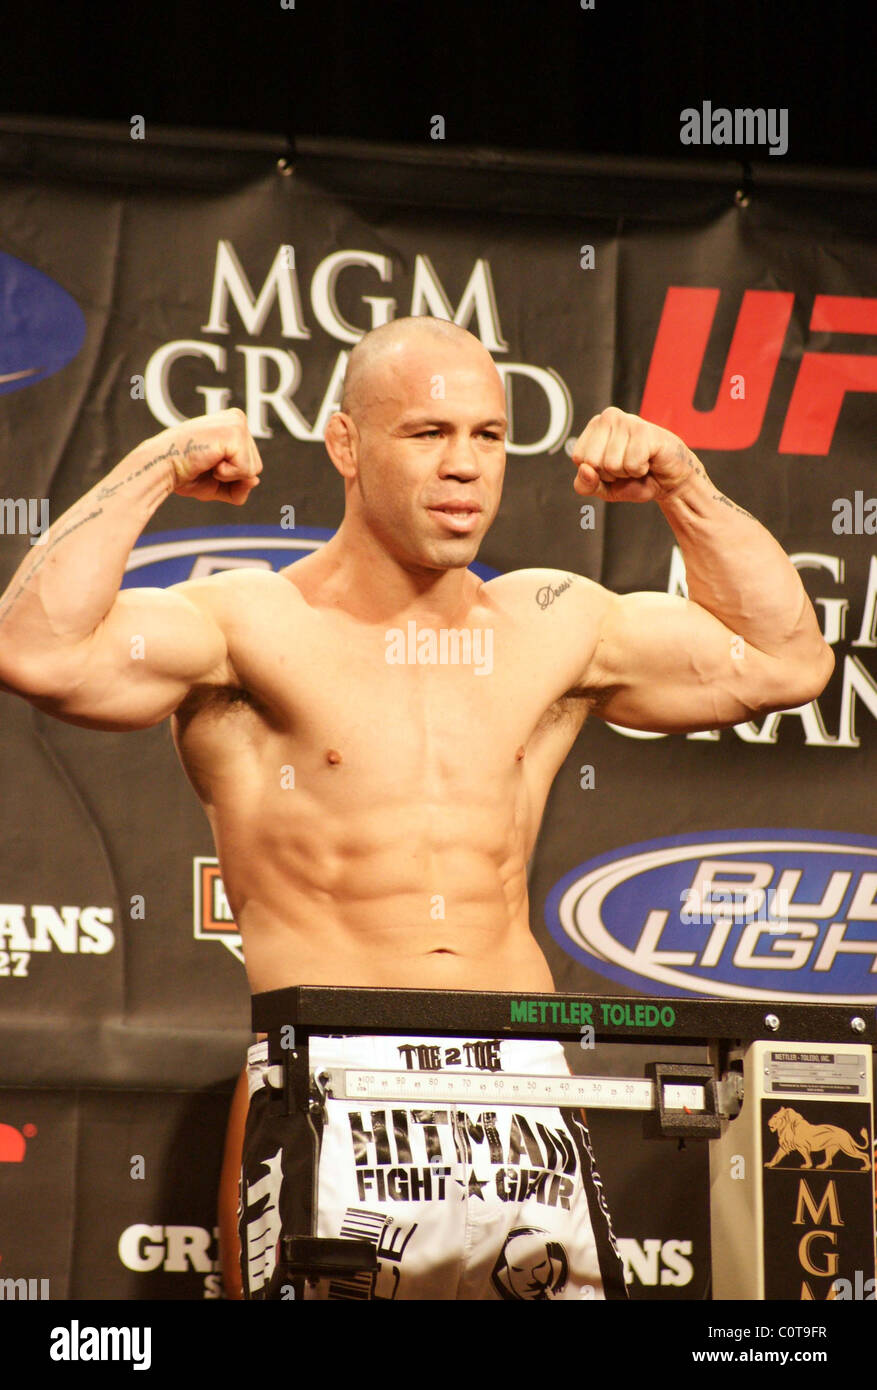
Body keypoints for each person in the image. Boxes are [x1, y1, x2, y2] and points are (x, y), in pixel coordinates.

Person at [0, 316, 833, 1300]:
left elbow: (787, 661)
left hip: (519, 1082)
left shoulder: (552, 623)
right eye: (428, 434)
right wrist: (154, 461)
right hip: (337, 1078)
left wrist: (684, 488)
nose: (464, 467)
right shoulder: (251, 623)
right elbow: (37, 650)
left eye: (487, 435)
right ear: (346, 445)